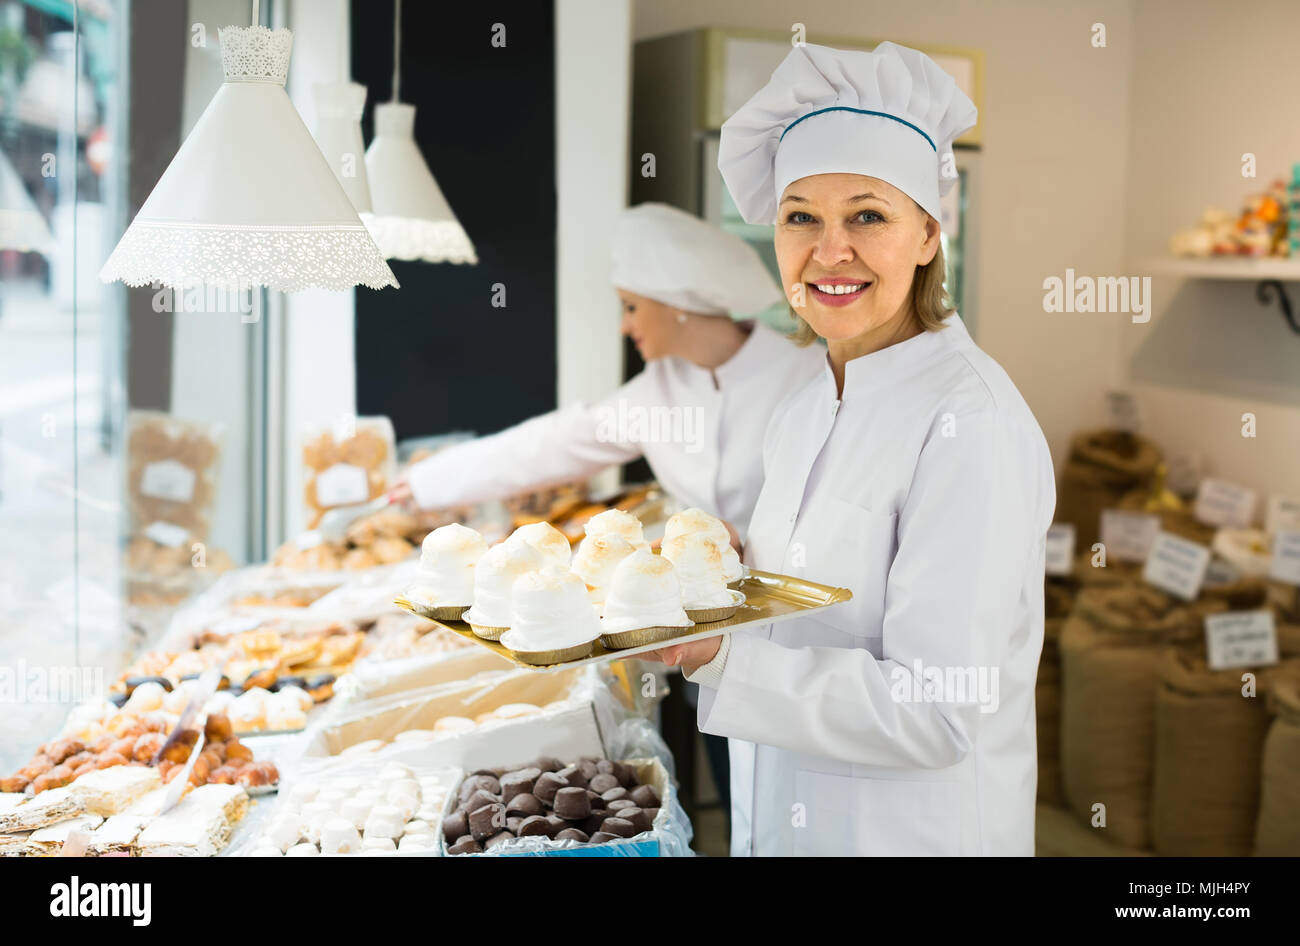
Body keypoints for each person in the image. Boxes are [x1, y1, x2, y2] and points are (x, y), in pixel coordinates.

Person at [645, 42, 1056, 856]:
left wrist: (717, 655)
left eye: (868, 215)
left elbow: (937, 709)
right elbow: (823, 607)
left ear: (930, 234)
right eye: (802, 217)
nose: (830, 251)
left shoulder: (972, 426)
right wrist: (732, 576)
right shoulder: (811, 398)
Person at [392, 203, 824, 540]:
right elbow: (552, 445)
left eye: (632, 307)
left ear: (678, 305)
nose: (624, 326)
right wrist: (427, 480)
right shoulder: (656, 392)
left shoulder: (812, 375)